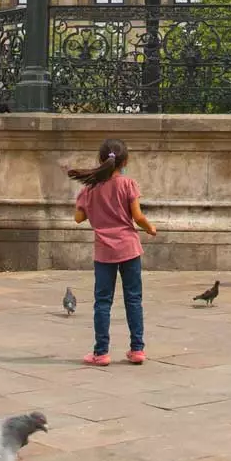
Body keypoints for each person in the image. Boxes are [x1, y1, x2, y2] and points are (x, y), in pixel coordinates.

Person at [71, 138, 156, 366]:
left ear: (100, 160)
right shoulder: (128, 184)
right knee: (133, 299)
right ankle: (137, 349)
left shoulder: (90, 188)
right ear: (125, 160)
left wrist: (91, 207)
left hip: (104, 251)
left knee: (102, 301)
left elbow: (78, 218)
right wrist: (150, 228)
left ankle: (101, 352)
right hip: (129, 247)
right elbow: (137, 217)